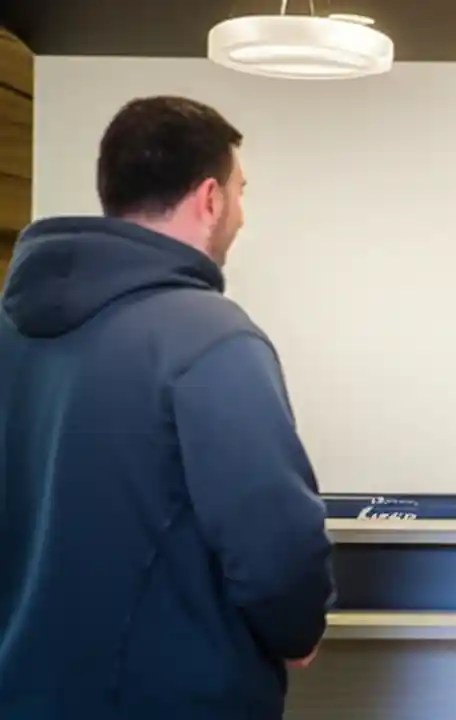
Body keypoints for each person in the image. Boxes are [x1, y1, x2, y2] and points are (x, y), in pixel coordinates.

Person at [0, 96, 334, 720]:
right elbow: (275, 541)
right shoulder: (211, 337)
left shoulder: (10, 331)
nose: (240, 214)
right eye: (239, 191)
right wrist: (297, 629)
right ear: (210, 198)